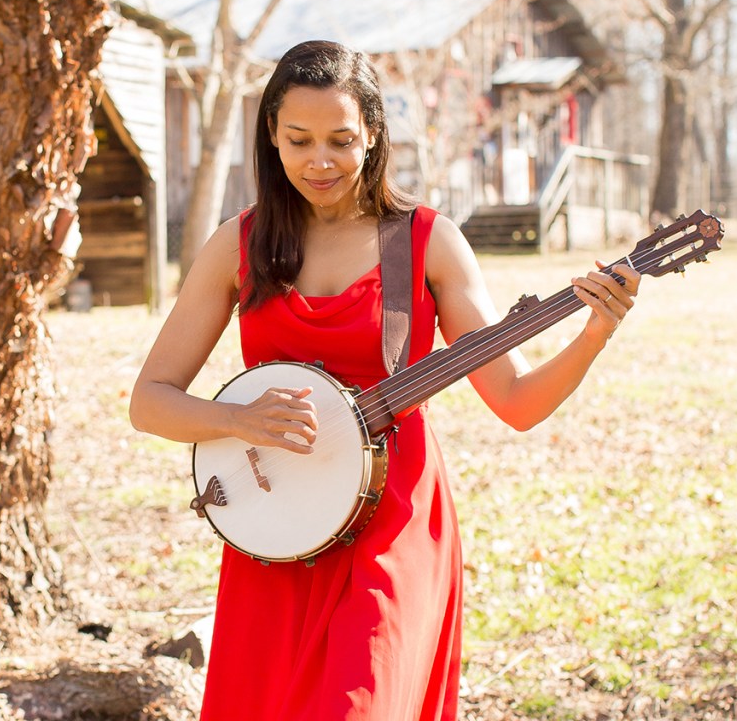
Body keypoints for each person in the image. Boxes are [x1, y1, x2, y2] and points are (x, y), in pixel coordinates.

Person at [129, 40, 640, 721]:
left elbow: (517, 402)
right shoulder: (240, 244)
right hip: (276, 523)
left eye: (341, 139)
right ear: (272, 139)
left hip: (390, 525)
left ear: (372, 133)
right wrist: (236, 420)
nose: (320, 160)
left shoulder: (427, 242)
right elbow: (148, 402)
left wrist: (594, 333)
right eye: (299, 139)